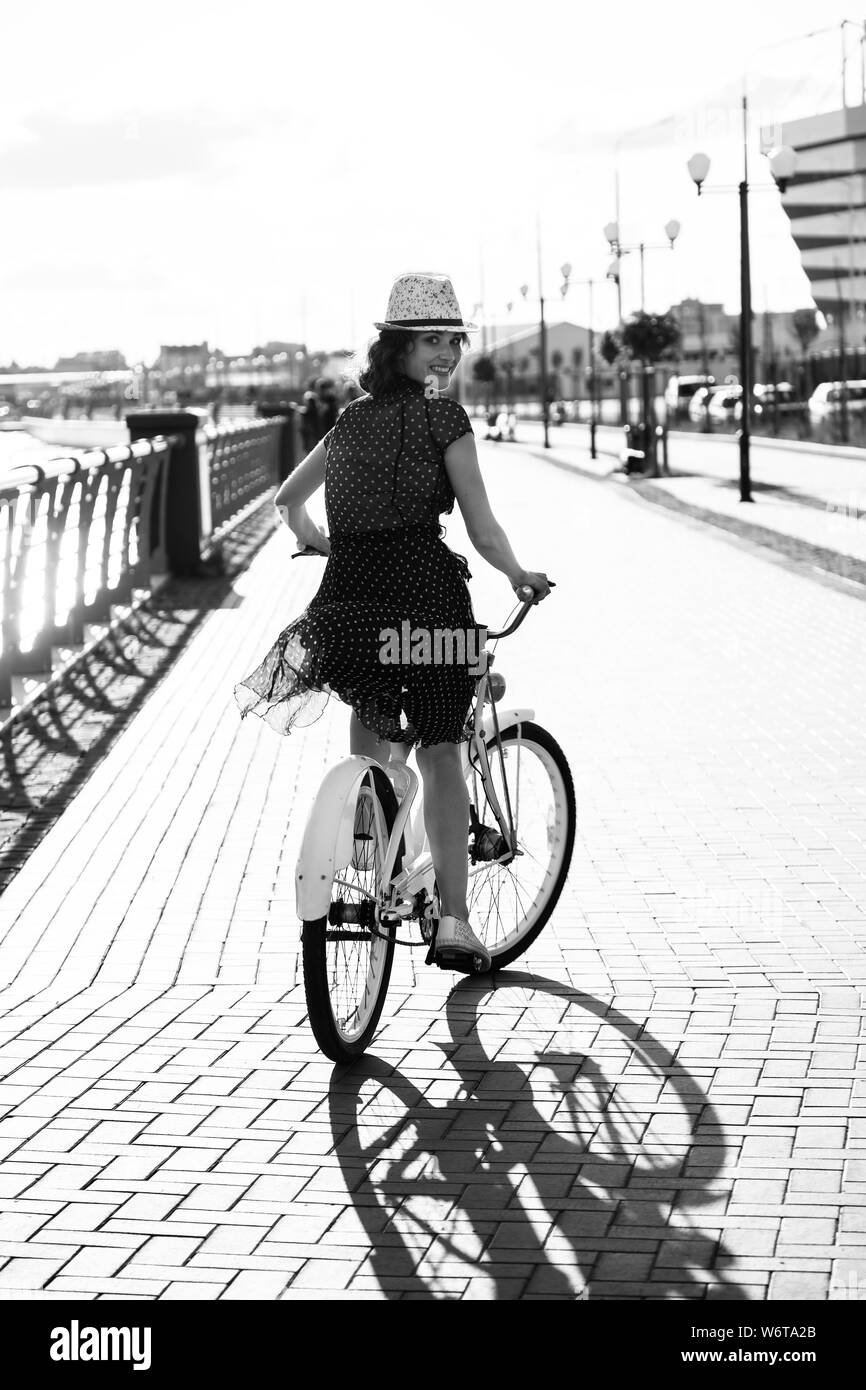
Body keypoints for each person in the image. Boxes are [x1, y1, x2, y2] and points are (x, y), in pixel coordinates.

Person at [234, 272, 552, 972]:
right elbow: (483, 529)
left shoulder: (348, 422)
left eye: (454, 340)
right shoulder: (446, 421)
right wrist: (518, 574)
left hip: (348, 600)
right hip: (427, 602)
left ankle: (369, 835)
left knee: (372, 720)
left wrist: (322, 543)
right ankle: (456, 923)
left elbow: (287, 500)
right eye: (432, 340)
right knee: (440, 751)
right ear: (398, 347)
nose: (447, 353)